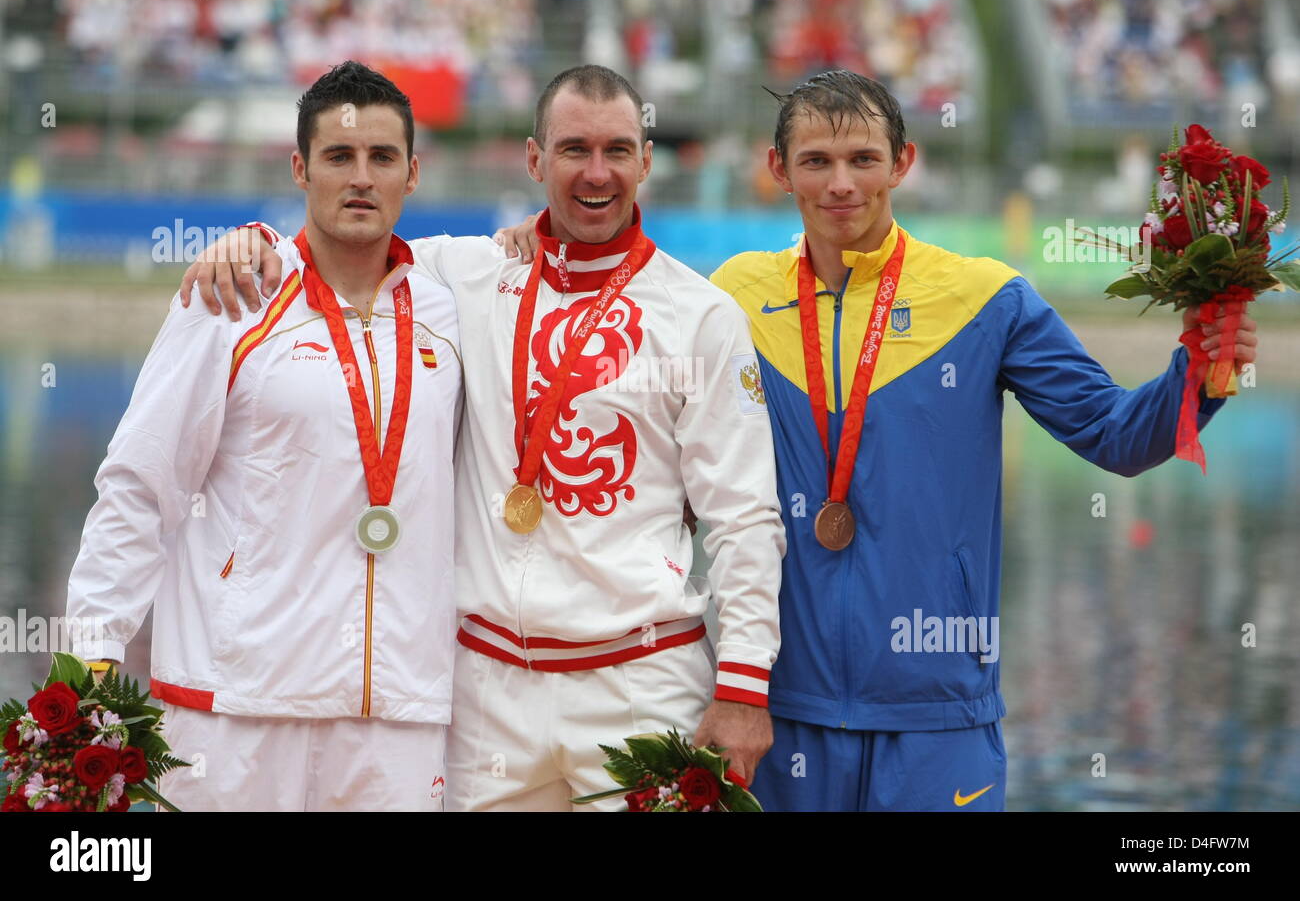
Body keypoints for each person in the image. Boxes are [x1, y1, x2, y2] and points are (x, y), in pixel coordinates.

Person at [177, 65, 786, 811]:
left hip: (644, 681)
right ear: (534, 159)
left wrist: (744, 686)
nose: (597, 174)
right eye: (574, 150)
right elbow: (347, 236)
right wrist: (255, 241)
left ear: (647, 160)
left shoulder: (702, 316)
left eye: (618, 151)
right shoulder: (462, 274)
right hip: (487, 694)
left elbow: (744, 517)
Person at [707, 70, 1260, 811]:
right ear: (779, 170)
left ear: (903, 163)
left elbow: (1117, 436)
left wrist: (1201, 367)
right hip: (779, 713)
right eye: (816, 161)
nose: (841, 184)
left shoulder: (986, 298)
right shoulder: (733, 296)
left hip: (940, 715)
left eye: (864, 159)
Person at [66, 61, 462, 811]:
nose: (361, 178)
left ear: (413, 173)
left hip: (395, 714)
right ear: (299, 169)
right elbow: (141, 484)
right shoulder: (233, 298)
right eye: (339, 156)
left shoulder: (450, 311)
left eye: (382, 157)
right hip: (235, 702)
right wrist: (93, 652)